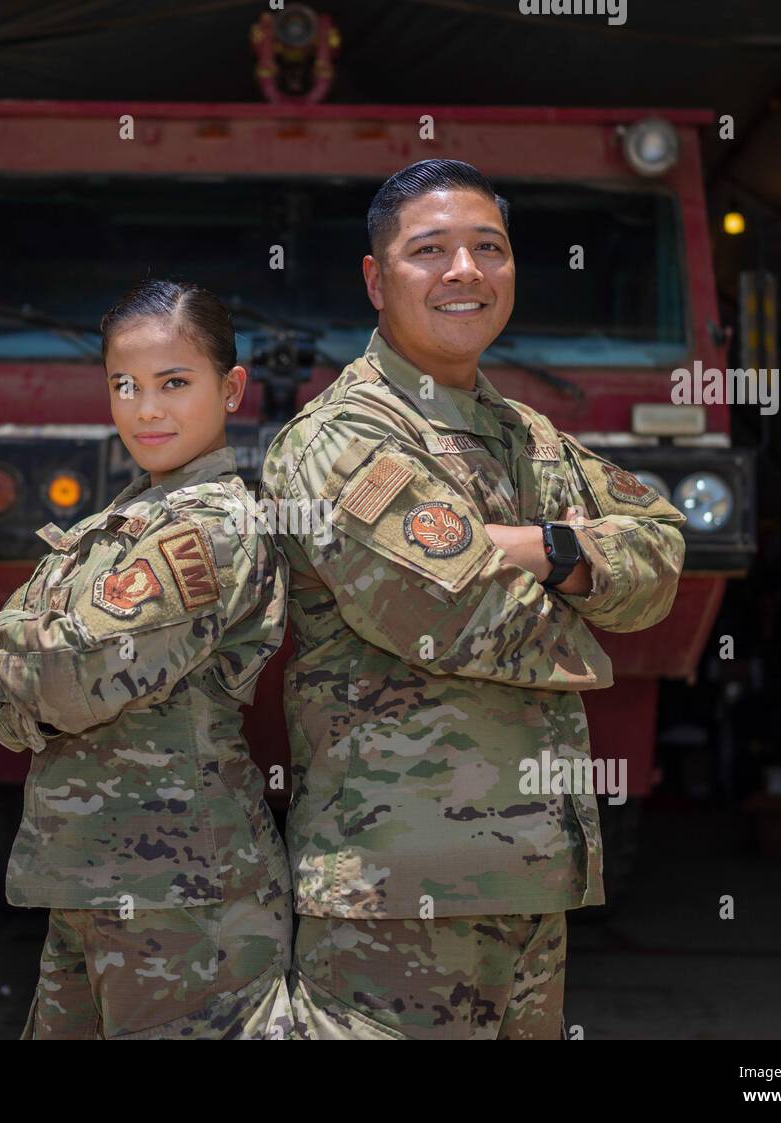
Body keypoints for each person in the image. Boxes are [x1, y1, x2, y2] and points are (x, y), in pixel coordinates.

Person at [261, 159, 688, 1039]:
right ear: (377, 280)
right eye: (430, 251)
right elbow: (450, 614)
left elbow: (665, 551)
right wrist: (587, 601)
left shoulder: (527, 434)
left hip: (535, 885)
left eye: (488, 248)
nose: (465, 271)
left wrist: (540, 546)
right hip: (397, 893)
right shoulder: (338, 439)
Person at [0, 279, 293, 1040]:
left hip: (181, 898)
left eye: (174, 383)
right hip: (92, 879)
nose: (147, 409)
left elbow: (73, 677)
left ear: (232, 388)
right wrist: (25, 656)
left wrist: (3, 639)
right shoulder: (124, 520)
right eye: (126, 385)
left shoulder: (210, 531)